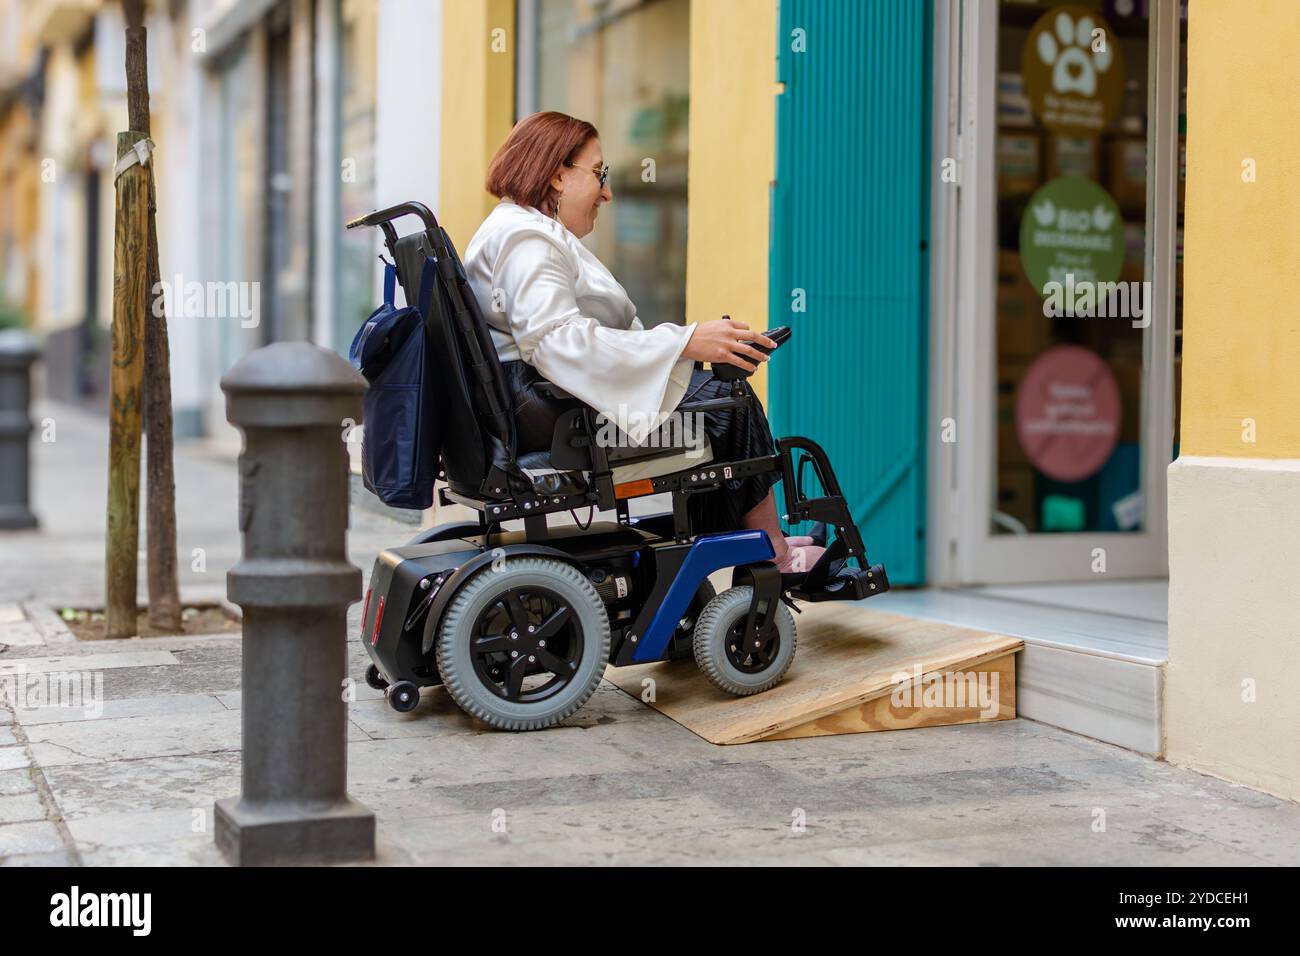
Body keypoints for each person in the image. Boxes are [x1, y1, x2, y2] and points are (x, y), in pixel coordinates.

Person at [463, 110, 823, 574]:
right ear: (557, 175)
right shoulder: (525, 239)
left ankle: (746, 539)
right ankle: (771, 550)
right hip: (549, 414)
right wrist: (686, 341)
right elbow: (556, 340)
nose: (607, 192)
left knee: (711, 390)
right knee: (730, 402)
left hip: (534, 401)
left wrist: (686, 346)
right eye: (599, 174)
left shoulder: (521, 231)